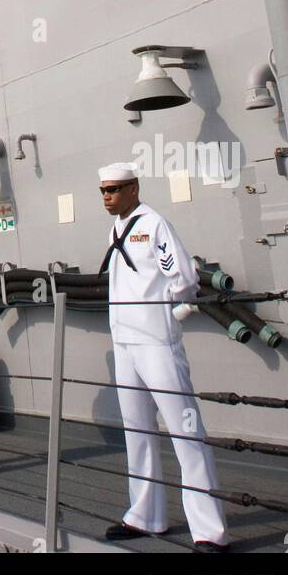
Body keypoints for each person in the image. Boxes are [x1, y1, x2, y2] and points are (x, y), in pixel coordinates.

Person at [97, 162, 229, 551]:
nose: (107, 197)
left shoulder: (154, 225)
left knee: (186, 433)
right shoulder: (116, 228)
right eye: (103, 191)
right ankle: (146, 515)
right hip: (125, 344)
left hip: (156, 343)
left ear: (134, 189)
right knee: (137, 432)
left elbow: (184, 278)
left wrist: (171, 313)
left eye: (114, 189)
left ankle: (209, 530)